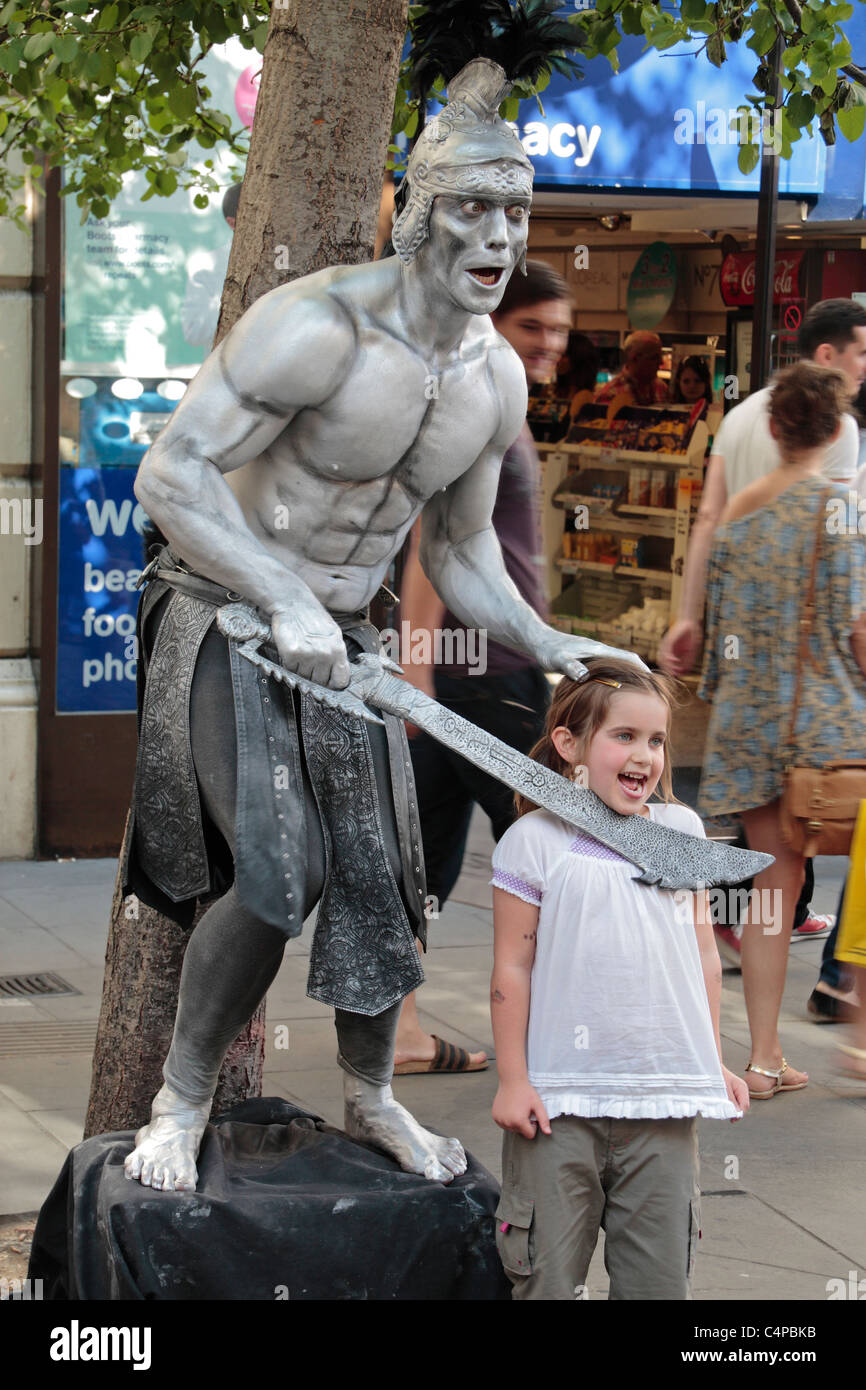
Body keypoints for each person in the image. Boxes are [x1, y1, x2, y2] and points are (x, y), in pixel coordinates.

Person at [121, 58, 645, 1195]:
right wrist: (284, 593)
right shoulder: (315, 327)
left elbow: (454, 549)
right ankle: (179, 1099)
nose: (496, 234)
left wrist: (542, 639)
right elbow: (172, 476)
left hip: (343, 642)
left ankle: (370, 1098)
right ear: (418, 214)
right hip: (225, 614)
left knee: (380, 877)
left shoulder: (493, 381)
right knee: (271, 877)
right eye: (471, 207)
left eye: (514, 212)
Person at [489, 657, 748, 1301]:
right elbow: (511, 968)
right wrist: (514, 1080)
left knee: (657, 1285)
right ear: (570, 744)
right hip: (558, 1107)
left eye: (656, 740)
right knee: (545, 1279)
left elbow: (703, 957)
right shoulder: (533, 841)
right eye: (624, 736)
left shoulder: (682, 833)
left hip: (663, 1102)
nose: (645, 755)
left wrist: (710, 1061)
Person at [393, 258, 570, 1074]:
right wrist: (418, 669)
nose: (550, 344)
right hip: (482, 677)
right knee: (555, 851)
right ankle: (555, 1033)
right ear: (493, 324)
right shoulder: (481, 406)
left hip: (484, 669)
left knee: (421, 856)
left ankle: (400, 1033)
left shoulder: (500, 404)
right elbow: (436, 544)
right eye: (533, 326)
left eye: (560, 330)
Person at [696, 362, 866, 1099]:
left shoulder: (739, 512)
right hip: (827, 722)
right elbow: (860, 630)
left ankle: (762, 1058)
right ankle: (859, 1036)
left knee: (772, 888)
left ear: (771, 427)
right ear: (834, 432)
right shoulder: (844, 511)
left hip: (747, 721)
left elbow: (717, 627)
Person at [593, 330, 667, 407]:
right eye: (654, 357)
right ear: (634, 358)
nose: (661, 362)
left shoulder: (661, 387)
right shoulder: (610, 395)